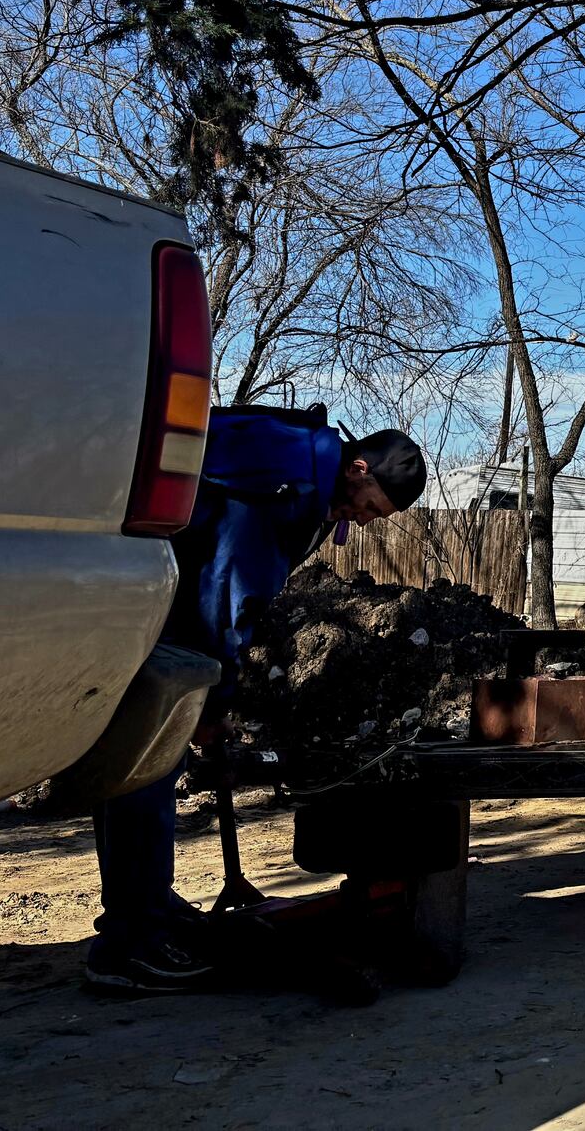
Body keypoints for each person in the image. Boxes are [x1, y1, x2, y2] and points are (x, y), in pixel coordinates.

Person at [85, 407, 426, 993]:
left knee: (139, 768)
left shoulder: (298, 455)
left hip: (137, 594)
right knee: (148, 766)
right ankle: (130, 945)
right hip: (151, 611)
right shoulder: (285, 484)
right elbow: (227, 593)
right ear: (359, 468)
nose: (364, 522)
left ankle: (145, 907)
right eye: (370, 507)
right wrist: (212, 706)